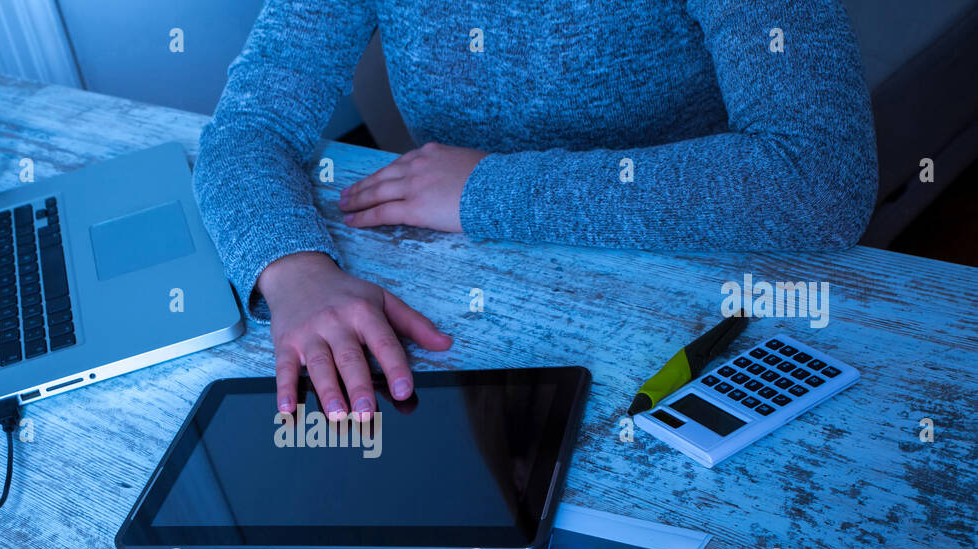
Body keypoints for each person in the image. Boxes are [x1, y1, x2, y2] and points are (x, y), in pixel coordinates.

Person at [193, 1, 877, 419]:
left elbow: (818, 178)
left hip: (690, 315)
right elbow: (251, 124)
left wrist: (488, 190)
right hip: (463, 334)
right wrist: (293, 272)